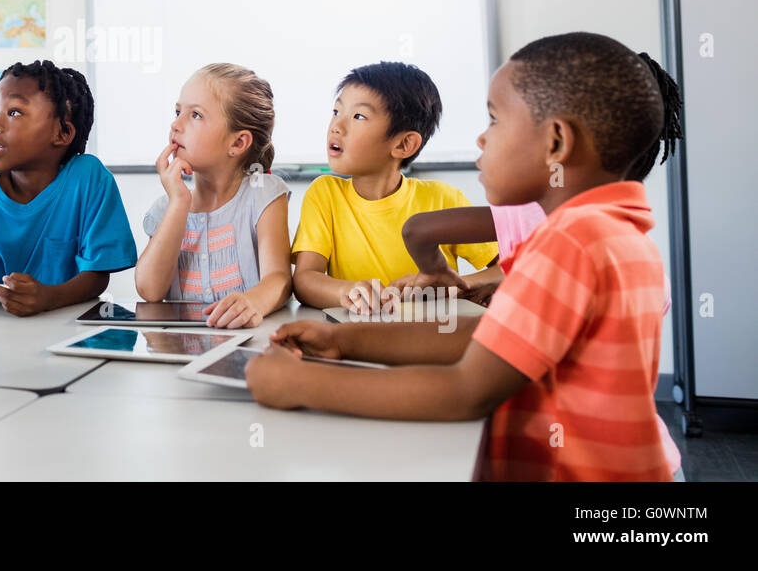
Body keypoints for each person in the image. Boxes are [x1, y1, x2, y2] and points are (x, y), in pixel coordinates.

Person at [247, 33, 680, 481]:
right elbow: (492, 332)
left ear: (556, 144)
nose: (481, 137)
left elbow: (464, 392)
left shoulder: (574, 244)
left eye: (494, 121)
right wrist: (344, 340)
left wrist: (301, 384)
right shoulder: (608, 235)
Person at [290, 62, 498, 314]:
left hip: (430, 336)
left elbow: (511, 266)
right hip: (354, 336)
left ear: (404, 144)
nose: (336, 126)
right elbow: (304, 280)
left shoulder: (443, 197)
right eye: (336, 111)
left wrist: (454, 287)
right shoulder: (324, 193)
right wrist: (348, 293)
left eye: (358, 116)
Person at [0, 61, 136, 316]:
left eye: (14, 112)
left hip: (65, 331)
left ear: (62, 133)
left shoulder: (88, 179)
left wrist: (48, 298)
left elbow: (96, 276)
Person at [135, 63, 291, 329]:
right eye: (177, 111)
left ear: (238, 143)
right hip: (180, 351)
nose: (175, 124)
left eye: (195, 115)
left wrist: (254, 302)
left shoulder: (263, 195)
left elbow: (279, 278)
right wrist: (179, 203)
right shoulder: (168, 207)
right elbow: (150, 290)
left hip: (246, 343)